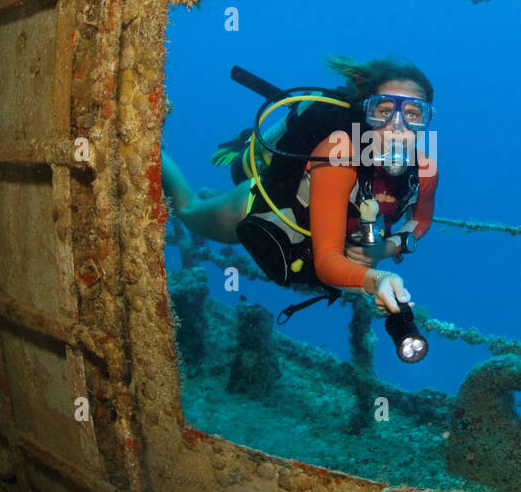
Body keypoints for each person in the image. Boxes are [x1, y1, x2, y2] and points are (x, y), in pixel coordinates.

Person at [161, 55, 437, 316]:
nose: (397, 126)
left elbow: (420, 221)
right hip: (266, 208)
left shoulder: (425, 171)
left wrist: (384, 250)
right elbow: (327, 261)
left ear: (427, 121)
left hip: (315, 239)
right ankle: (157, 156)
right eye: (384, 111)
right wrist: (377, 279)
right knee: (188, 211)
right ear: (366, 113)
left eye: (413, 114)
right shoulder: (338, 156)